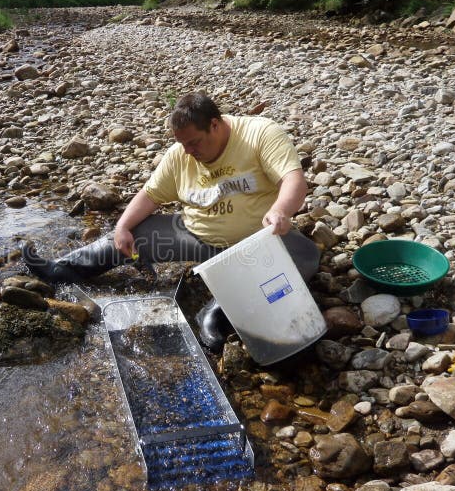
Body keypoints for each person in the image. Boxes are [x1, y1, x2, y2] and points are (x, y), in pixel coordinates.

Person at [22, 92, 320, 347]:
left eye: (193, 143)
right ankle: (62, 269)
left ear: (215, 125)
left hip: (257, 244)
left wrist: (281, 210)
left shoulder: (259, 133)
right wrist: (122, 226)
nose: (188, 152)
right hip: (198, 238)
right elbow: (150, 196)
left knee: (305, 257)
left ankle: (216, 312)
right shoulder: (181, 153)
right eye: (182, 144)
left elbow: (293, 180)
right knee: (135, 234)